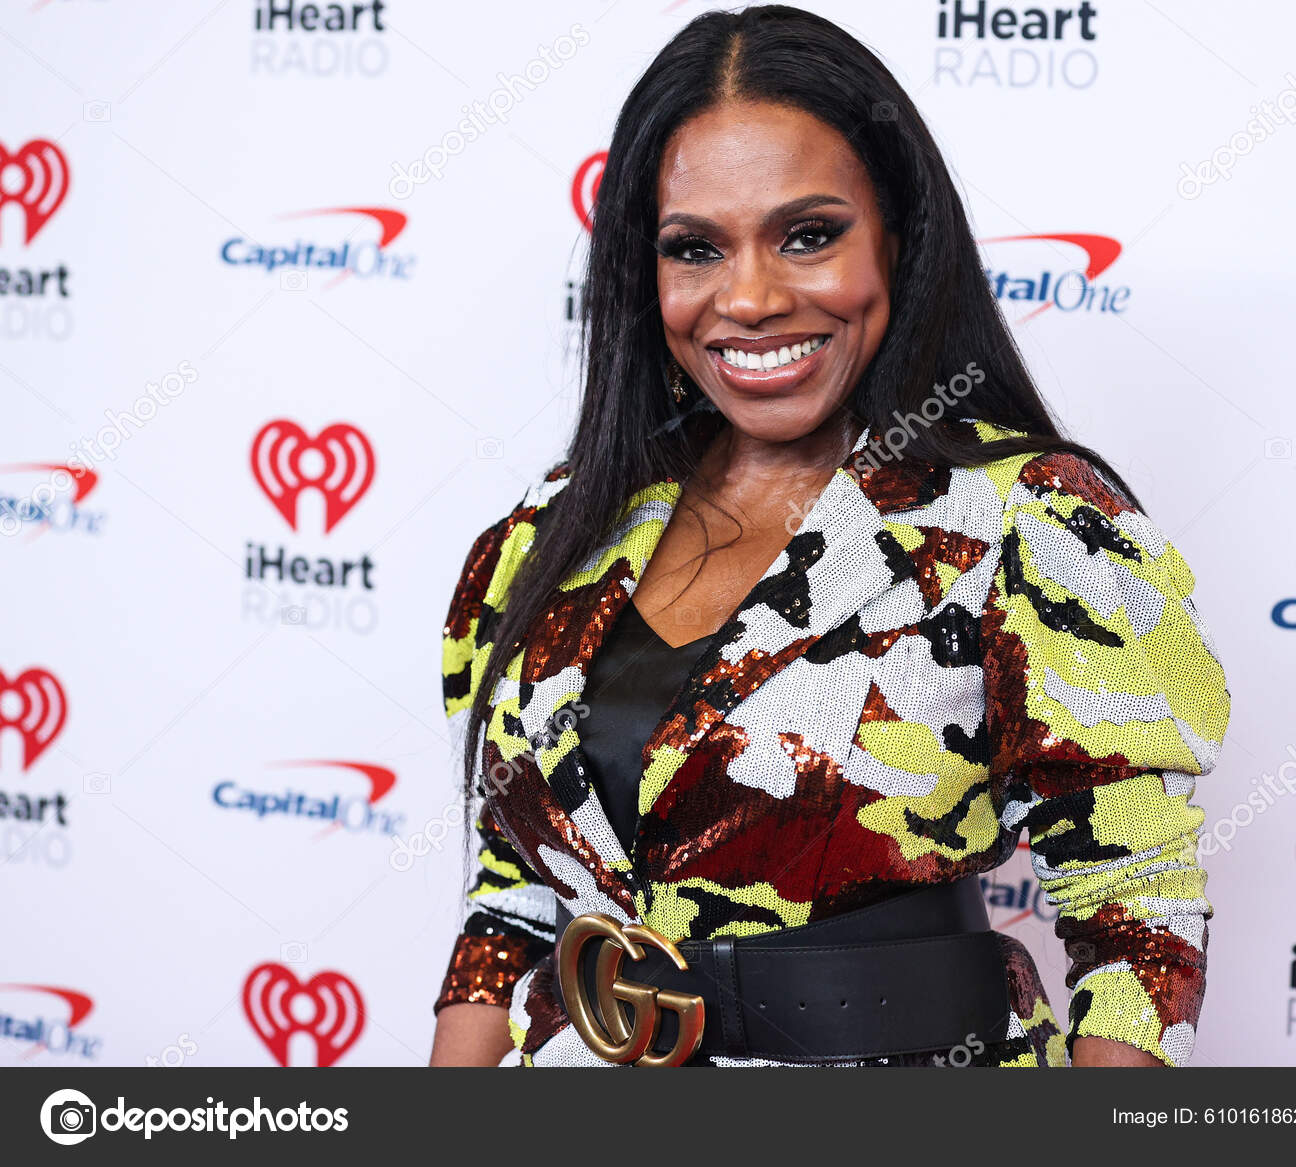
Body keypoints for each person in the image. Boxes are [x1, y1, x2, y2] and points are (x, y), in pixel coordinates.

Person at [427, 4, 1229, 1068]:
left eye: (808, 235)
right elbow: (511, 904)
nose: (750, 297)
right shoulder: (546, 534)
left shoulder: (1032, 519)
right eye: (694, 248)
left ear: (897, 238)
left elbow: (1134, 915)